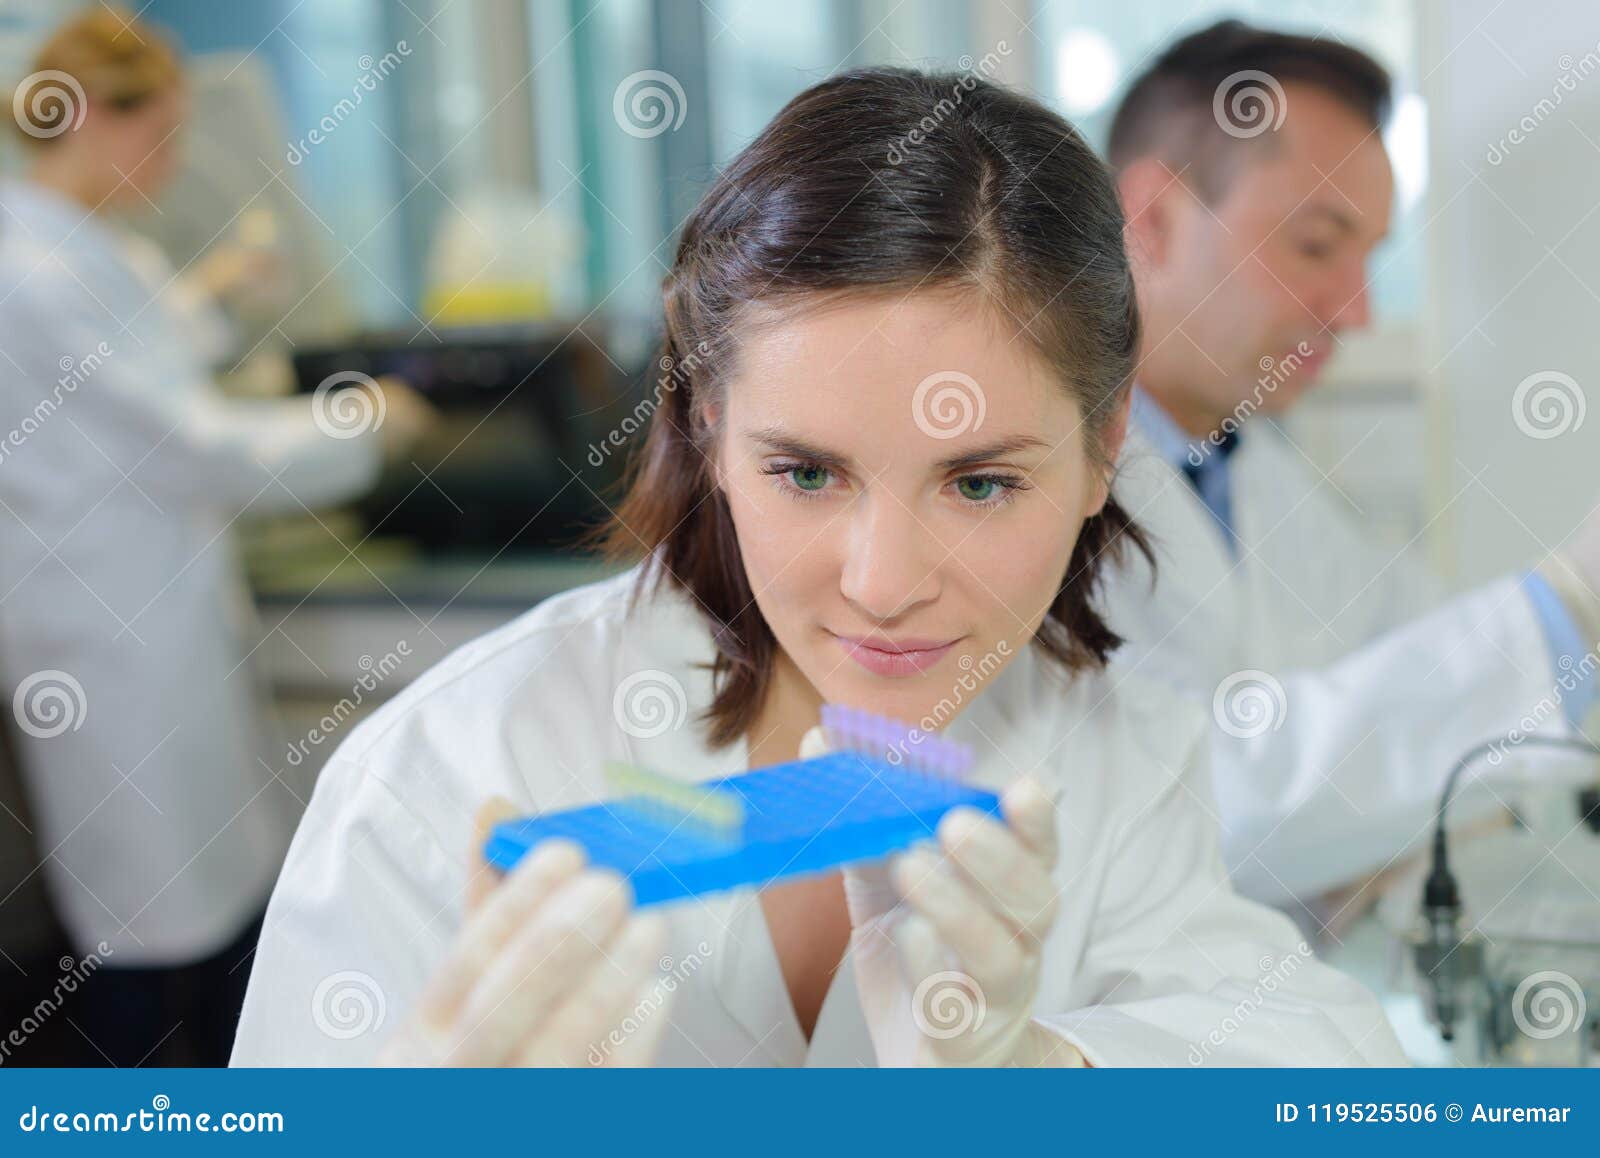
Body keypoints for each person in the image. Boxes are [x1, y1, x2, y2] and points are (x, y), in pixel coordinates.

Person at [230, 67, 1404, 1067]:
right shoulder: (457, 764)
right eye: (806, 474)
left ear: (1104, 450)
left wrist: (1046, 1077)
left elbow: (1336, 1072)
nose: (884, 582)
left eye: (979, 482)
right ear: (707, 431)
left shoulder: (1118, 760)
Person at [0, 7, 429, 1065]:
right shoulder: (34, 268)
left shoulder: (80, 247)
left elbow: (136, 350)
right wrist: (364, 425)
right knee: (148, 920)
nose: (174, 158)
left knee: (208, 897)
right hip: (106, 636)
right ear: (94, 116)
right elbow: (184, 439)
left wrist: (215, 290)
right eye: (165, 132)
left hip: (151, 613)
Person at [1098, 20, 1600, 917]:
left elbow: (1416, 648)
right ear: (1154, 219)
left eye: (1369, 260)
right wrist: (1571, 604)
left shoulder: (1256, 477)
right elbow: (1201, 809)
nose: (1356, 312)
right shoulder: (1023, 492)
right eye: (1317, 246)